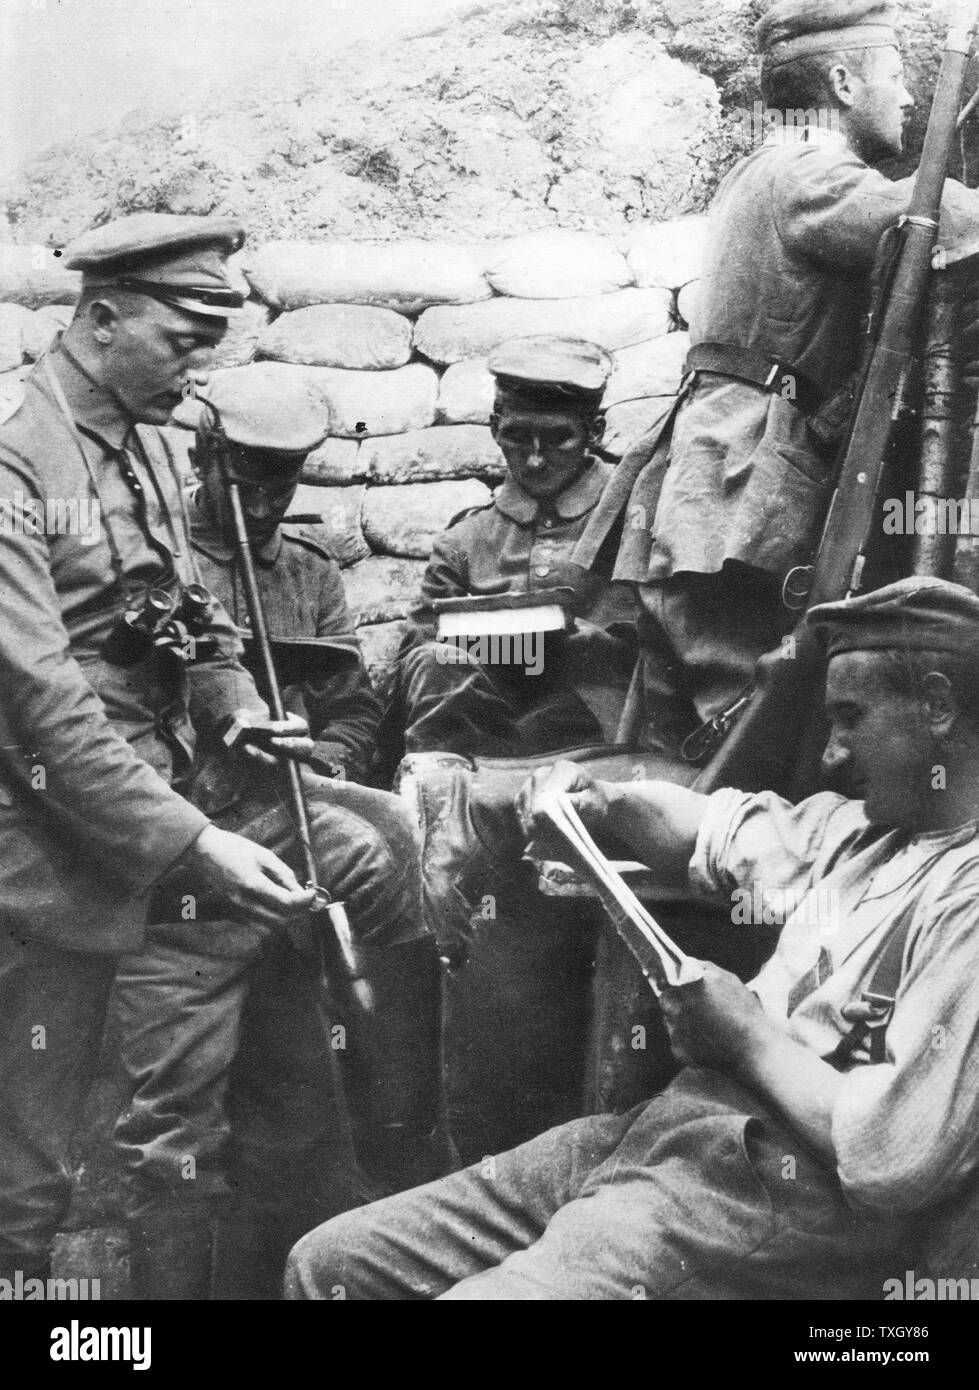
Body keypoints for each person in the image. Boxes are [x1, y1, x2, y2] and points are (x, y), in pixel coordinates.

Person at [286, 576, 979, 1300]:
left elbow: (895, 1160)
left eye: (850, 718)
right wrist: (605, 804)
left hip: (776, 1184)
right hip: (673, 1131)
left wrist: (742, 1035)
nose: (832, 754)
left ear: (935, 706)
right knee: (333, 1264)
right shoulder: (866, 831)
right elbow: (705, 830)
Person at [0, 212, 442, 1301]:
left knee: (381, 847)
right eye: (182, 341)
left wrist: (237, 705)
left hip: (168, 824)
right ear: (101, 320)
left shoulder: (145, 441)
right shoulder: (18, 458)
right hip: (55, 853)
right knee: (28, 1172)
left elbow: (188, 618)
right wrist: (194, 842)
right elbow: (40, 704)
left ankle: (393, 1161)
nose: (198, 369)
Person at [575, 0, 979, 759]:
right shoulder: (806, 171)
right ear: (840, 81)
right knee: (750, 734)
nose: (907, 98)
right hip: (740, 480)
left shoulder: (759, 170)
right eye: (891, 77)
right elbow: (929, 220)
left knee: (692, 739)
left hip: (712, 475)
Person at [383, 335, 637, 766]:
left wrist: (607, 648)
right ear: (494, 430)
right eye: (518, 437)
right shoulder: (464, 540)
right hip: (484, 734)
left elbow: (683, 643)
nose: (535, 461)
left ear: (594, 432)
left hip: (606, 733)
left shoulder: (636, 518)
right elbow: (417, 659)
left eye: (558, 440)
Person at [186, 371, 382, 787]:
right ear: (198, 463)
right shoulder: (157, 554)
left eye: (279, 492)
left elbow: (353, 712)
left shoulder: (311, 569)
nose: (259, 511)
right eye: (244, 490)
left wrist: (321, 765)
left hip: (290, 786)